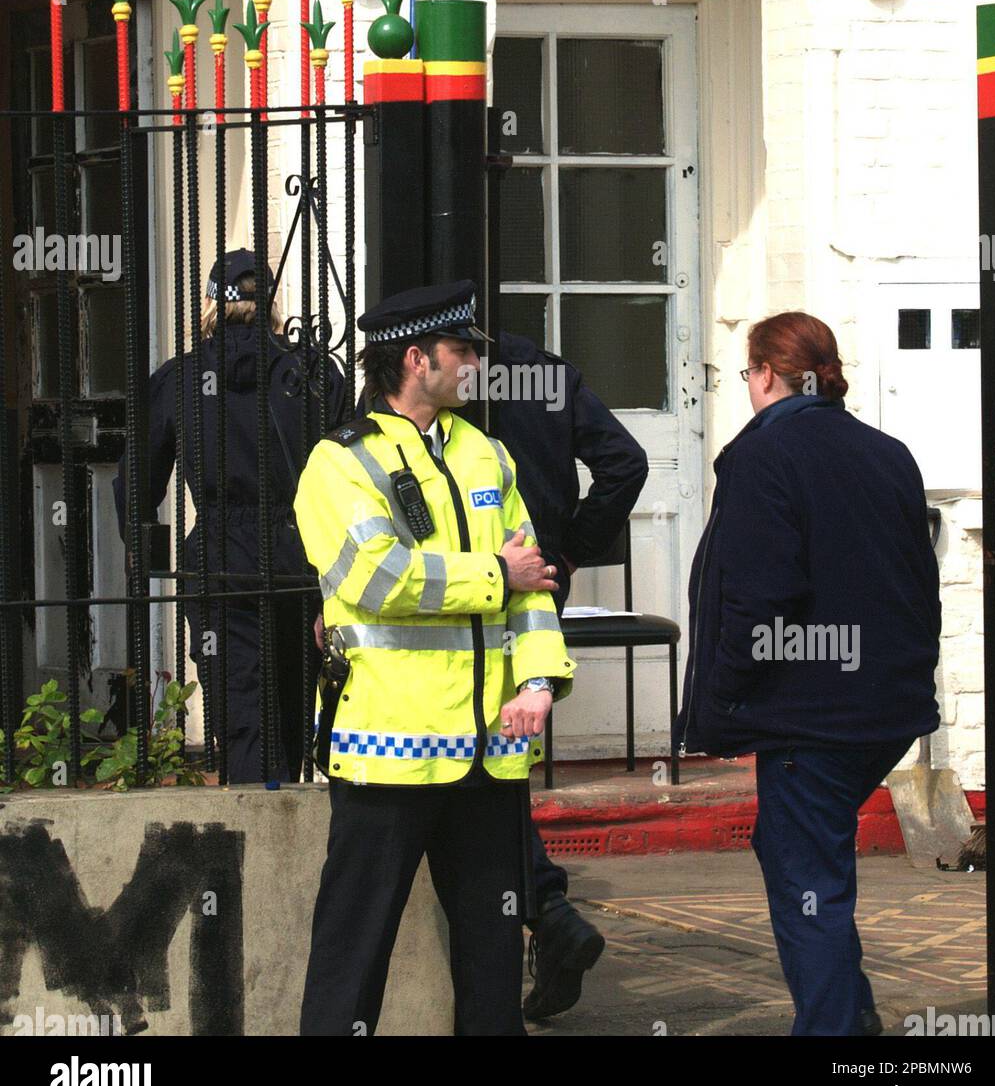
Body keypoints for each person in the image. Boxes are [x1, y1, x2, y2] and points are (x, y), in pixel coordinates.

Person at [295, 280, 576, 1037]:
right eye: (464, 351)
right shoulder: (339, 463)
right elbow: (376, 578)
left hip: (489, 752)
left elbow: (534, 585)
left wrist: (541, 680)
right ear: (416, 360)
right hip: (389, 753)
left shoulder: (487, 454)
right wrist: (495, 574)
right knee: (353, 952)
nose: (478, 364)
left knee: (491, 955)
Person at [672, 312, 941, 1036]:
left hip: (808, 717)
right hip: (886, 706)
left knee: (807, 884)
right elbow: (922, 581)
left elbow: (760, 597)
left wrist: (724, 696)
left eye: (745, 374)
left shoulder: (765, 456)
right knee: (805, 857)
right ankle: (853, 1016)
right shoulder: (889, 453)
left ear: (764, 374)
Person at [113, 249, 345, 783]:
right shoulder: (310, 374)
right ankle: (291, 816)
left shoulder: (181, 380)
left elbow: (137, 482)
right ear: (271, 305)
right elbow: (347, 475)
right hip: (301, 555)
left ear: (212, 306)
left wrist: (143, 551)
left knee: (241, 708)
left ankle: (252, 824)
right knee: (293, 700)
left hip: (219, 559)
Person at [489, 332, 648, 1019]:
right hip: (539, 574)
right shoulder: (541, 371)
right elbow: (625, 462)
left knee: (480, 770)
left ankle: (546, 910)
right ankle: (544, 914)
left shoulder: (430, 374)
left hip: (471, 585)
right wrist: (570, 550)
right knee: (503, 762)